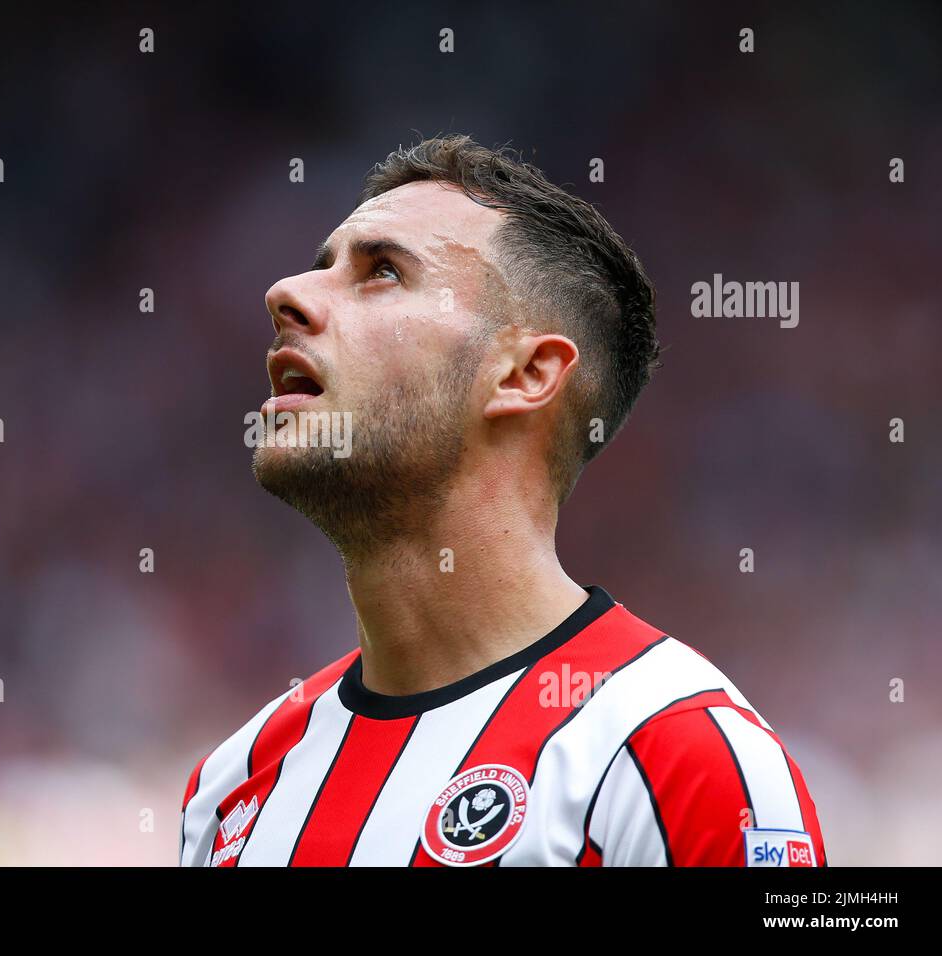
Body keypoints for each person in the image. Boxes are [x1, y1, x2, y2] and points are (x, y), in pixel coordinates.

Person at [181, 135, 826, 867]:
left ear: (525, 374)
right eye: (324, 263)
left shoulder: (677, 757)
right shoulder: (233, 789)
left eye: (382, 272)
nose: (286, 293)